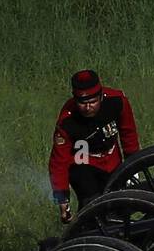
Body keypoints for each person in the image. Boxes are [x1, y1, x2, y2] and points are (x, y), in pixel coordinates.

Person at [47, 69, 140, 222]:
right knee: (93, 205)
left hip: (112, 159)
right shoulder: (67, 121)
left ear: (101, 96)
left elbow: (128, 133)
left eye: (92, 102)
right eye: (82, 103)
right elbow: (58, 163)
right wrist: (62, 199)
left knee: (120, 205)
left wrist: (133, 167)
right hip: (83, 163)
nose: (88, 107)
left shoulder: (116, 101)